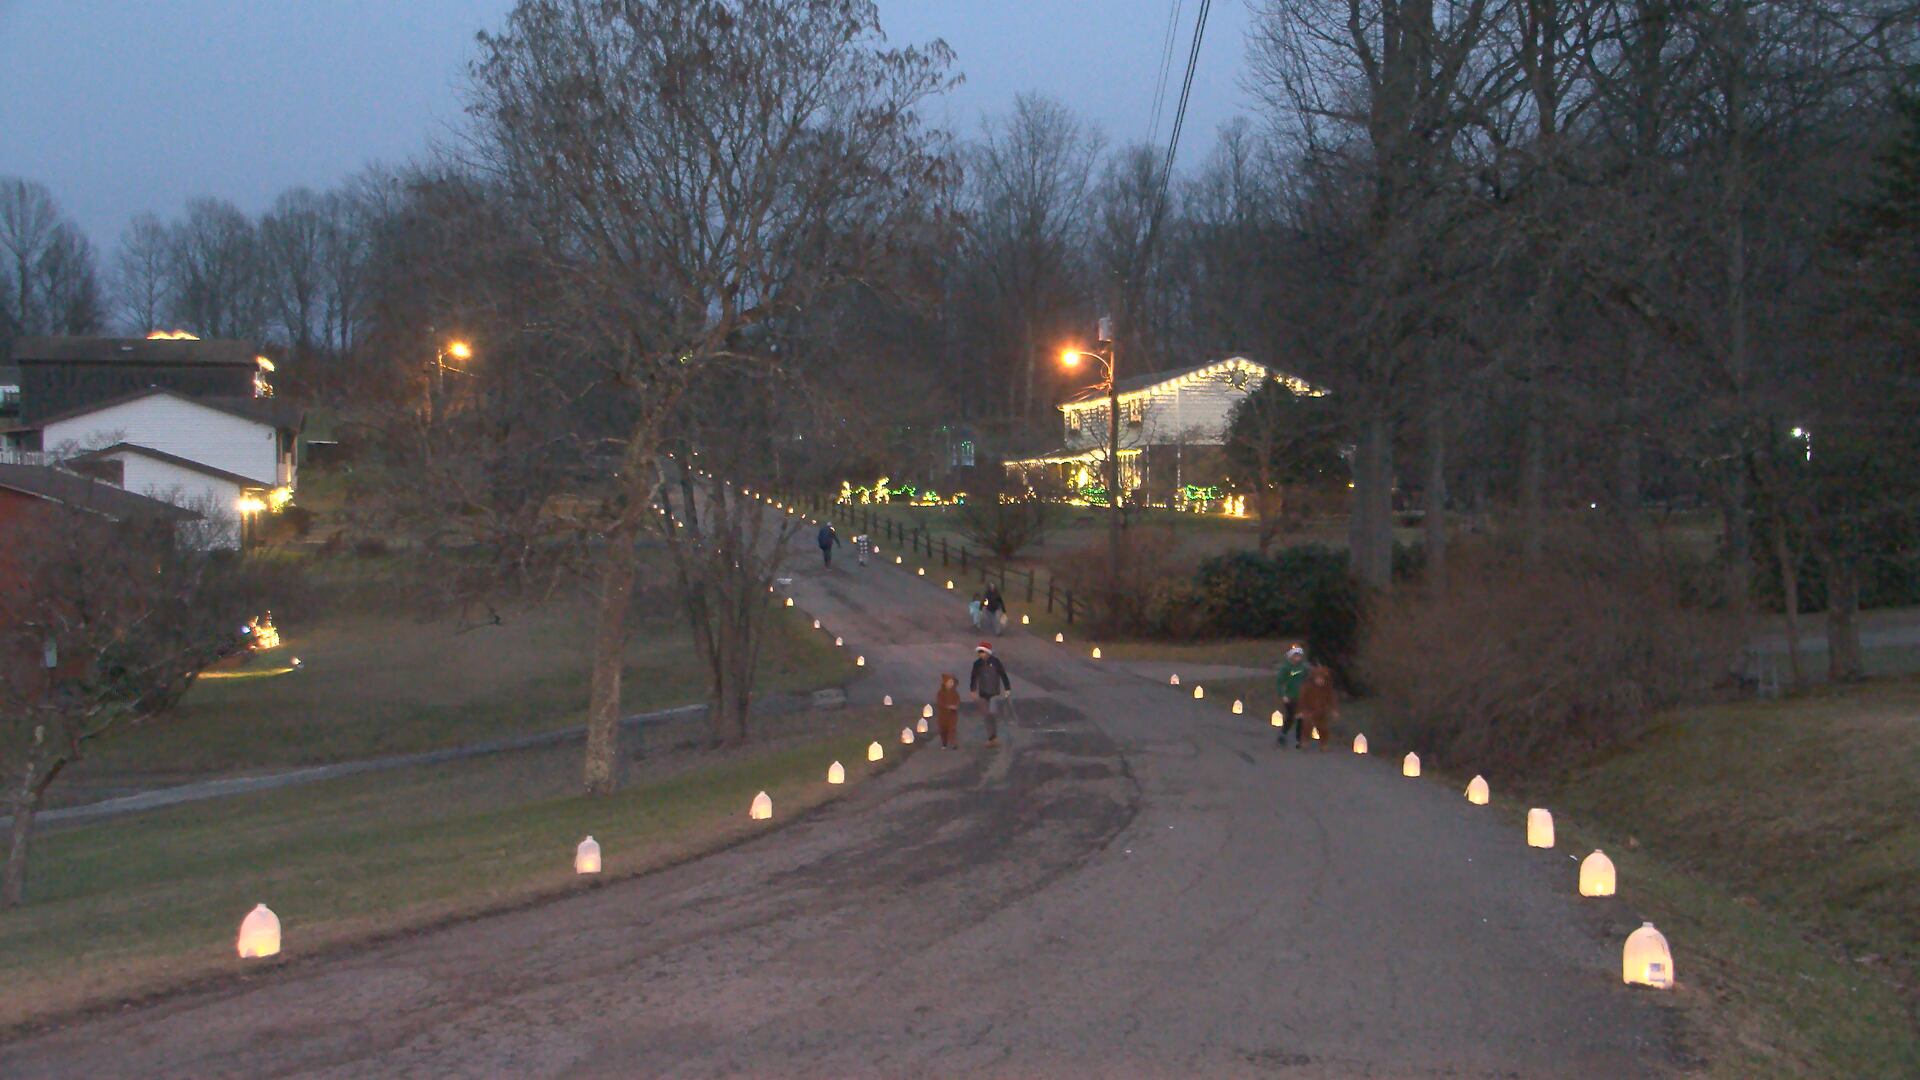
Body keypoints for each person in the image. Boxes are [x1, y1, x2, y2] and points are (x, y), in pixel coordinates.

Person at [969, 641, 1011, 747]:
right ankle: (991, 738)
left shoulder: (995, 662)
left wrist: (1007, 688)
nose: (981, 654)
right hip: (983, 693)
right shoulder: (977, 664)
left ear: (988, 652)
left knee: (992, 713)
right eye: (979, 653)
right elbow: (974, 677)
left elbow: (1003, 674)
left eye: (982, 652)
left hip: (994, 692)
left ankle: (993, 736)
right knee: (987, 715)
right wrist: (973, 690)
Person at [1276, 643, 1310, 749]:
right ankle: (1283, 734)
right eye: (1295, 656)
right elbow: (1280, 682)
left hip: (1301, 697)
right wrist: (1283, 695)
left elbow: (1307, 679)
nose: (1298, 658)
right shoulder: (1286, 668)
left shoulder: (1303, 668)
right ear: (1291, 656)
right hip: (1289, 696)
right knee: (1291, 717)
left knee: (1300, 717)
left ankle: (1299, 740)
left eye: (1299, 656)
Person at [935, 673, 962, 749]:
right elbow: (940, 702)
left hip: (952, 715)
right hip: (943, 715)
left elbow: (957, 700)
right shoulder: (940, 693)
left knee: (952, 729)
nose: (951, 684)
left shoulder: (955, 693)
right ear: (945, 683)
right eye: (949, 682)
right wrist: (947, 706)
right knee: (943, 729)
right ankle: (944, 743)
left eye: (952, 682)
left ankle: (953, 743)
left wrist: (955, 706)